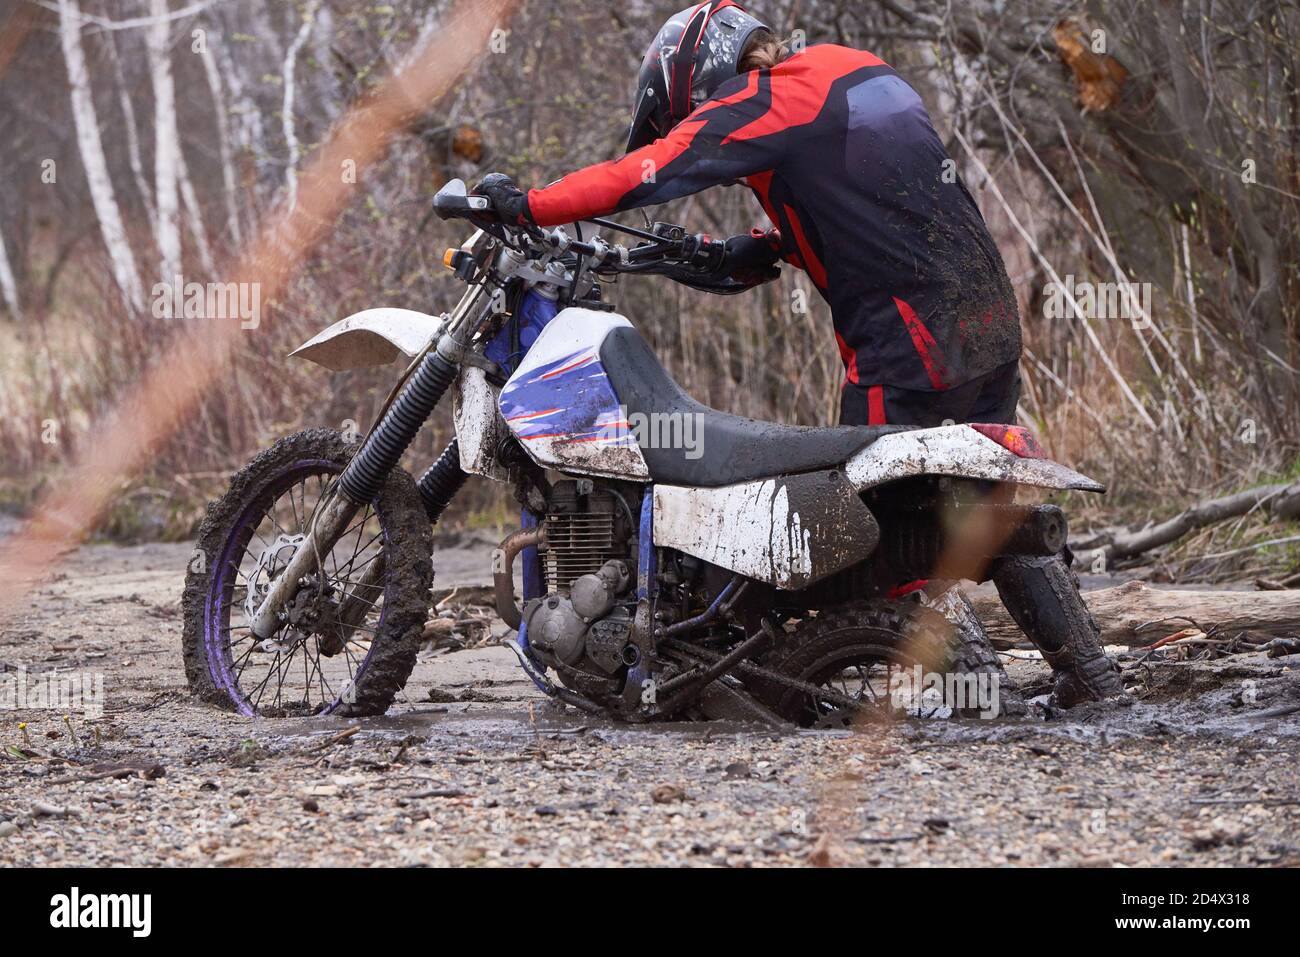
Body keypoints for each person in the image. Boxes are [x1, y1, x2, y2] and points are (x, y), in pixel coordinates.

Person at [472, 1, 1121, 708]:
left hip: (909, 343)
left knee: (882, 527)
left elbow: (647, 171)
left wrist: (530, 205)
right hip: (985, 321)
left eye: (681, 109)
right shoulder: (850, 72)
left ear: (698, 73)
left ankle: (971, 692)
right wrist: (750, 249)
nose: (687, 122)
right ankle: (1090, 677)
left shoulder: (764, 100)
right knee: (984, 503)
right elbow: (867, 199)